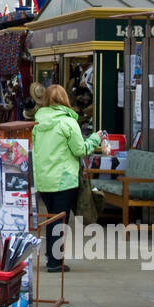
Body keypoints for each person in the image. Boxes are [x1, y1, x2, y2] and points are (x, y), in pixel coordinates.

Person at [30, 84, 103, 273]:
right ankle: (55, 262)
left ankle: (52, 257)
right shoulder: (68, 122)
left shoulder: (37, 123)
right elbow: (80, 150)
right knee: (60, 221)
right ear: (65, 99)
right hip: (63, 179)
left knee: (52, 219)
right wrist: (95, 139)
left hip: (44, 180)